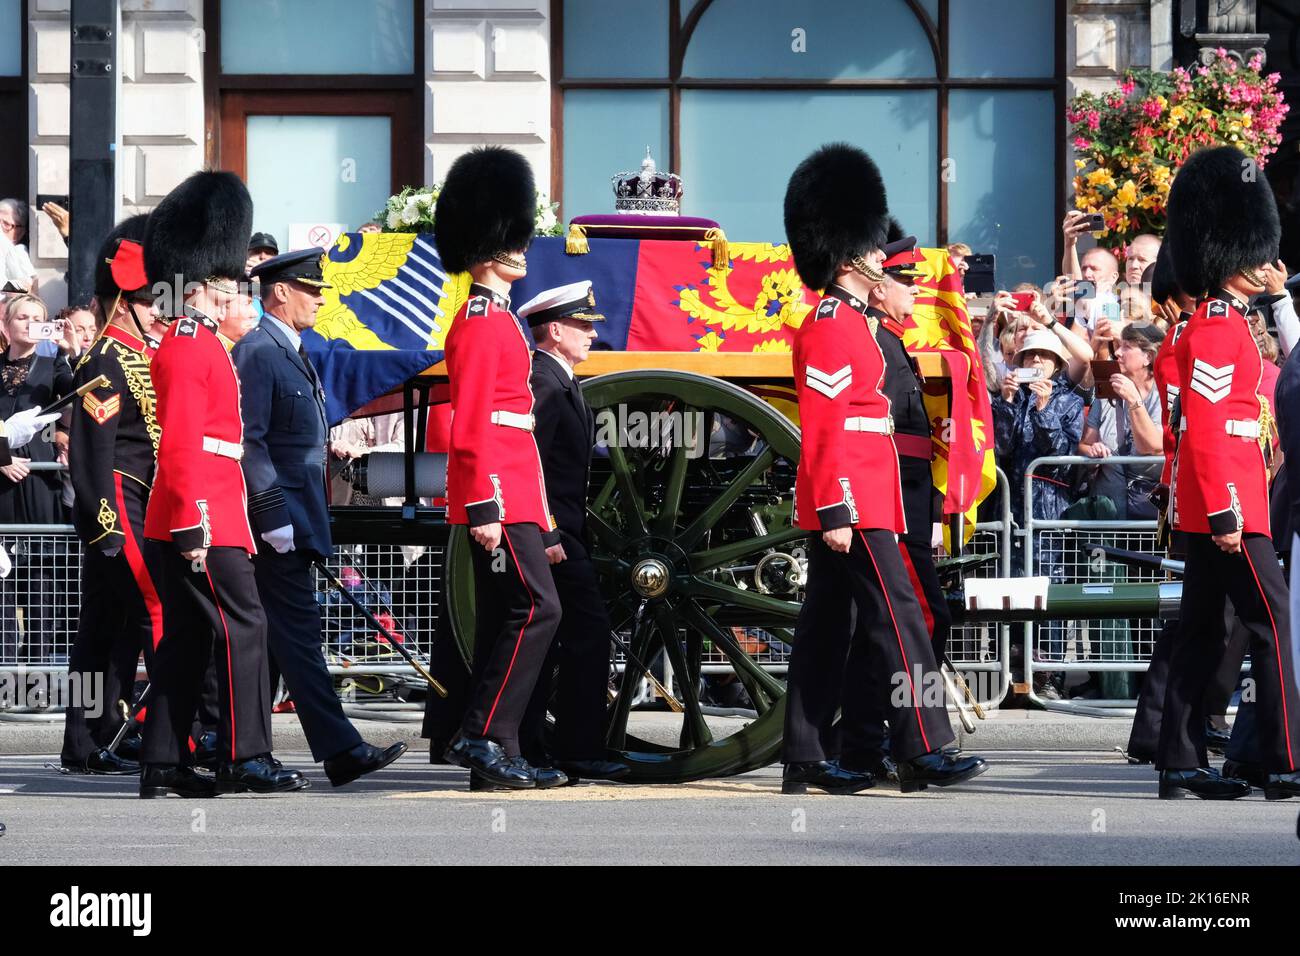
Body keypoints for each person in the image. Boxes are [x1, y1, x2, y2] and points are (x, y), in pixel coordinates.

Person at [780, 143, 985, 796]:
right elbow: (825, 426)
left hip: (869, 498)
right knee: (901, 619)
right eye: (870, 248)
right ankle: (925, 745)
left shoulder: (859, 325)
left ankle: (812, 756)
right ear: (846, 259)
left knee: (823, 629)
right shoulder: (831, 325)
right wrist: (839, 508)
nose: (880, 257)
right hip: (854, 504)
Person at [138, 170, 304, 799]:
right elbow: (180, 442)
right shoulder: (187, 344)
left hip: (209, 510)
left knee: (187, 638)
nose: (242, 291)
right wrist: (191, 525)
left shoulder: (199, 340)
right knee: (246, 625)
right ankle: (245, 752)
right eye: (233, 283)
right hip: (200, 516)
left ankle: (163, 761)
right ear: (206, 284)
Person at [1159, 144, 1300, 800]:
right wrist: (1225, 511)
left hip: (1224, 503)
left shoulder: (1227, 321)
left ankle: (1182, 765)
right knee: (1272, 626)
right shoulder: (1218, 326)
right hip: (1232, 509)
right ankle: (1285, 761)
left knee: (1198, 635)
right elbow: (1212, 430)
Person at [237, 247, 406, 787]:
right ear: (280, 292)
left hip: (300, 518)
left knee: (275, 642)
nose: (318, 300)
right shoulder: (261, 351)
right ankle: (338, 750)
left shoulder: (290, 349)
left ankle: (240, 750)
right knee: (298, 637)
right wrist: (271, 512)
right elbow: (252, 441)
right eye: (311, 290)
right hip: (278, 523)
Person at [435, 146, 566, 791]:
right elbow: (478, 423)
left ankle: (497, 750)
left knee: (517, 613)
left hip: (516, 493)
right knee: (538, 610)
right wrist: (487, 507)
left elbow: (518, 433)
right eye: (510, 241)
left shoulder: (502, 321)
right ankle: (483, 733)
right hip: (498, 496)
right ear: (488, 247)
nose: (521, 250)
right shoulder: (483, 323)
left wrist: (540, 519)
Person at [834, 233, 988, 783]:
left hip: (907, 501)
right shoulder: (872, 338)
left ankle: (862, 741)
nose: (916, 292)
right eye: (906, 282)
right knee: (916, 618)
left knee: (888, 625)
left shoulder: (891, 341)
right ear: (879, 289)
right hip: (888, 499)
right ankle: (912, 746)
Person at [515, 280, 630, 783]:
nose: (590, 335)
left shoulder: (558, 378)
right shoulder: (544, 380)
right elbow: (529, 461)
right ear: (555, 330)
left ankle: (540, 744)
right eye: (582, 326)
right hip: (555, 534)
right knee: (586, 631)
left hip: (563, 530)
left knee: (562, 634)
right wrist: (547, 531)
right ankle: (574, 747)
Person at [60, 216, 161, 775]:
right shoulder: (103, 356)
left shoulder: (135, 351)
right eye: (148, 304)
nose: (156, 313)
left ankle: (91, 737)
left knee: (106, 629)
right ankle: (177, 734)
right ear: (123, 303)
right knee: (152, 611)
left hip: (136, 496)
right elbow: (92, 450)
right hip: (119, 502)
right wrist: (103, 523)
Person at [992, 329, 1086, 698]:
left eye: (1043, 357)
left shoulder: (1068, 401)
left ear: (1057, 364)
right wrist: (1006, 400)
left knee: (1049, 587)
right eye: (1030, 357)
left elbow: (1060, 454)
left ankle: (1049, 676)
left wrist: (1045, 410)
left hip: (1050, 506)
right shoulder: (1013, 397)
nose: (1035, 364)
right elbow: (1000, 448)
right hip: (1012, 505)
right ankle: (1013, 673)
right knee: (1012, 586)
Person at [0, 294, 73, 663]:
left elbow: (80, 399)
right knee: (2, 584)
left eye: (37, 318)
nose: (29, 323)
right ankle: (4, 667)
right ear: (5, 325)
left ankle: (37, 675)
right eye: (22, 317)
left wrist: (69, 351)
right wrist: (0, 458)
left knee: (42, 578)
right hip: (1, 482)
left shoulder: (53, 363)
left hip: (39, 479)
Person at [1078, 323, 1165, 518]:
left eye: (1126, 346)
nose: (1117, 352)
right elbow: (1084, 445)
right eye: (1119, 345)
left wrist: (1133, 400)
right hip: (1108, 514)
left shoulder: (1164, 394)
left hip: (1150, 518)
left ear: (1148, 357)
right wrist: (1093, 452)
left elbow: (1151, 446)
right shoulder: (1106, 392)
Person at [0, 198, 37, 296]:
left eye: (6, 224)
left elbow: (29, 286)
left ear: (20, 231)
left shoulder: (19, 252)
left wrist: (24, 287)